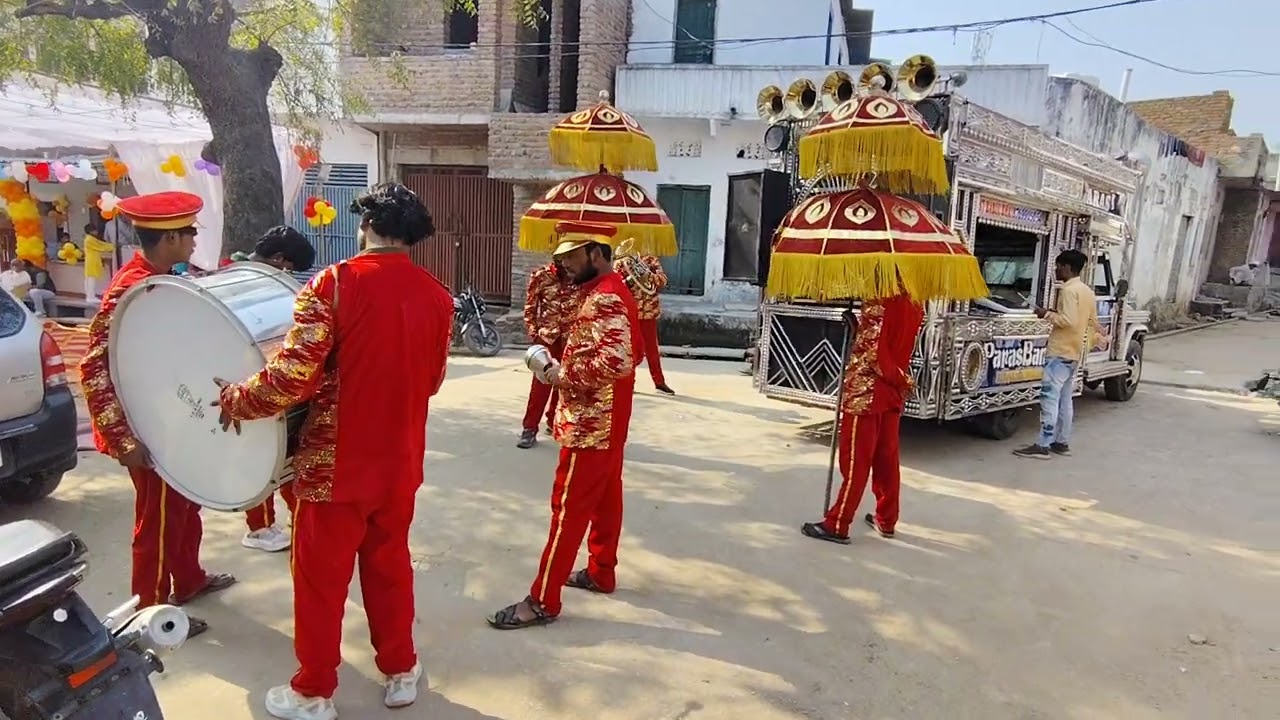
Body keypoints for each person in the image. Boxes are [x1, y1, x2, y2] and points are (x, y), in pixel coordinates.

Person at [214, 182, 452, 720]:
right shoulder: (438, 295)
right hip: (399, 462)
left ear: (365, 225)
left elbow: (291, 377)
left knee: (319, 582)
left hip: (334, 468)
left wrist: (236, 399)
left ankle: (313, 691)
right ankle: (401, 671)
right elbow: (433, 379)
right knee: (390, 568)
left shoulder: (336, 283)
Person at [78, 191, 237, 639]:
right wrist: (122, 439)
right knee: (158, 522)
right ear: (169, 239)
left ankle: (187, 580)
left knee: (183, 508)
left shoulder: (159, 280)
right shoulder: (132, 291)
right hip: (148, 429)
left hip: (172, 420)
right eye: (188, 234)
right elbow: (93, 368)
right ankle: (148, 614)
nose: (193, 241)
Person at [488, 220, 641, 630]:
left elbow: (619, 361)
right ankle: (601, 571)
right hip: (609, 421)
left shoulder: (605, 297)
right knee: (606, 499)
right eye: (561, 256)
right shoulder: (608, 290)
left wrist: (562, 375)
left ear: (597, 253)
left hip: (592, 422)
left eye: (572, 255)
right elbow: (634, 351)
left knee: (567, 510)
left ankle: (543, 600)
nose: (565, 264)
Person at [801, 292, 925, 544]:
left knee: (855, 460)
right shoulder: (916, 301)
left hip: (867, 392)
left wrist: (860, 331)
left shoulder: (879, 299)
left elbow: (874, 353)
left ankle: (838, 523)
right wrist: (900, 380)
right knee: (886, 459)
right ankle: (886, 519)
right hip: (892, 393)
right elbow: (889, 341)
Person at [230, 225, 318, 553]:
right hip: (247, 385)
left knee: (285, 458)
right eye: (290, 269)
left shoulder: (256, 278)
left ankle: (300, 523)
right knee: (258, 459)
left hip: (272, 380)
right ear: (279, 259)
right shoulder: (235, 280)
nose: (288, 276)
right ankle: (259, 528)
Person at [1014, 249, 1105, 460]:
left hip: (1059, 351)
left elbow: (1067, 320)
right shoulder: (1087, 291)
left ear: (1067, 267)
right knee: (1065, 400)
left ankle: (1043, 445)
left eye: (1058, 266)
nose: (1056, 270)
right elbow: (1090, 321)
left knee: (1049, 399)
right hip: (1074, 352)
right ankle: (1061, 442)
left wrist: (1045, 314)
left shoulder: (1068, 290)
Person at [517, 257, 579, 449]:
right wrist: (534, 334)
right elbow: (530, 308)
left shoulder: (579, 277)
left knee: (565, 382)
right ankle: (529, 428)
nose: (565, 262)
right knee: (540, 385)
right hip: (547, 338)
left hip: (570, 339)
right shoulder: (541, 276)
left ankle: (554, 421)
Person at [613, 244, 675, 395]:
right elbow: (616, 286)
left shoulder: (651, 260)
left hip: (649, 311)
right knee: (632, 350)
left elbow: (662, 280)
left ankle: (659, 382)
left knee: (652, 350)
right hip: (630, 312)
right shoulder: (621, 262)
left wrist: (647, 275)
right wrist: (630, 279)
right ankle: (629, 382)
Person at [229, 224, 318, 286]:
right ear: (277, 258)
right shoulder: (241, 280)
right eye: (287, 269)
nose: (286, 275)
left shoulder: (232, 269)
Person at [83, 223, 115, 303]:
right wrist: (113, 246)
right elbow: (101, 246)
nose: (96, 232)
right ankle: (91, 297)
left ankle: (89, 296)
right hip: (92, 260)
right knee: (91, 279)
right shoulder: (90, 239)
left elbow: (100, 244)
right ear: (91, 231)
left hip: (91, 260)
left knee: (89, 278)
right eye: (95, 230)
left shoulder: (89, 238)